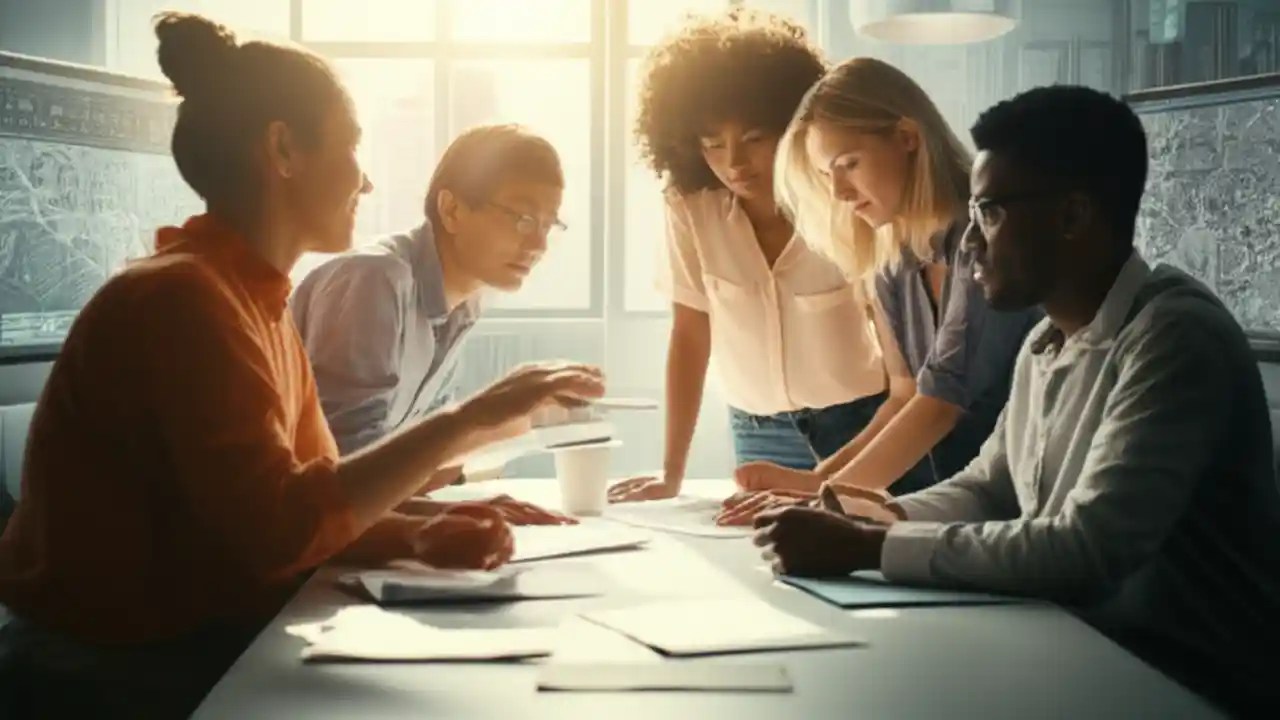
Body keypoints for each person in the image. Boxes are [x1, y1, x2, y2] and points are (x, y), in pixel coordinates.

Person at [0, 14, 602, 719]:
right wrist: (471, 420)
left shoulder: (249, 299)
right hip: (113, 669)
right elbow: (278, 532)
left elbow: (300, 503)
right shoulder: (182, 300)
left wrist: (417, 533)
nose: (369, 180)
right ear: (284, 149)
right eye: (352, 147)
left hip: (187, 639)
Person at [753, 85, 1280, 715]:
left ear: (1073, 216)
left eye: (992, 213)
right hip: (1083, 656)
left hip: (1187, 683)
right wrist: (876, 517)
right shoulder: (1045, 341)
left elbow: (1088, 546)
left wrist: (869, 549)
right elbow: (990, 485)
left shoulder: (1173, 337)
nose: (971, 242)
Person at [717, 57, 1040, 525]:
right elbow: (904, 395)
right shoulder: (894, 259)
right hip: (960, 506)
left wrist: (825, 498)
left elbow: (939, 406)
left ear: (908, 138)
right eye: (828, 176)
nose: (841, 193)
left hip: (1027, 501)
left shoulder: (985, 239)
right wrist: (817, 480)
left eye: (848, 164)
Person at [609, 9, 892, 503]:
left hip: (861, 422)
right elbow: (690, 335)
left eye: (754, 139)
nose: (734, 162)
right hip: (756, 431)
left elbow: (898, 343)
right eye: (713, 144)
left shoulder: (845, 199)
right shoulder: (688, 208)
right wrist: (670, 473)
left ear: (793, 127)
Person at [292, 124, 575, 525]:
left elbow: (412, 463)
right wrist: (452, 511)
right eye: (523, 218)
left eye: (549, 225)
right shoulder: (376, 279)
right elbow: (347, 467)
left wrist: (523, 420)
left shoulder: (464, 302)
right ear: (452, 210)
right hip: (282, 554)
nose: (539, 245)